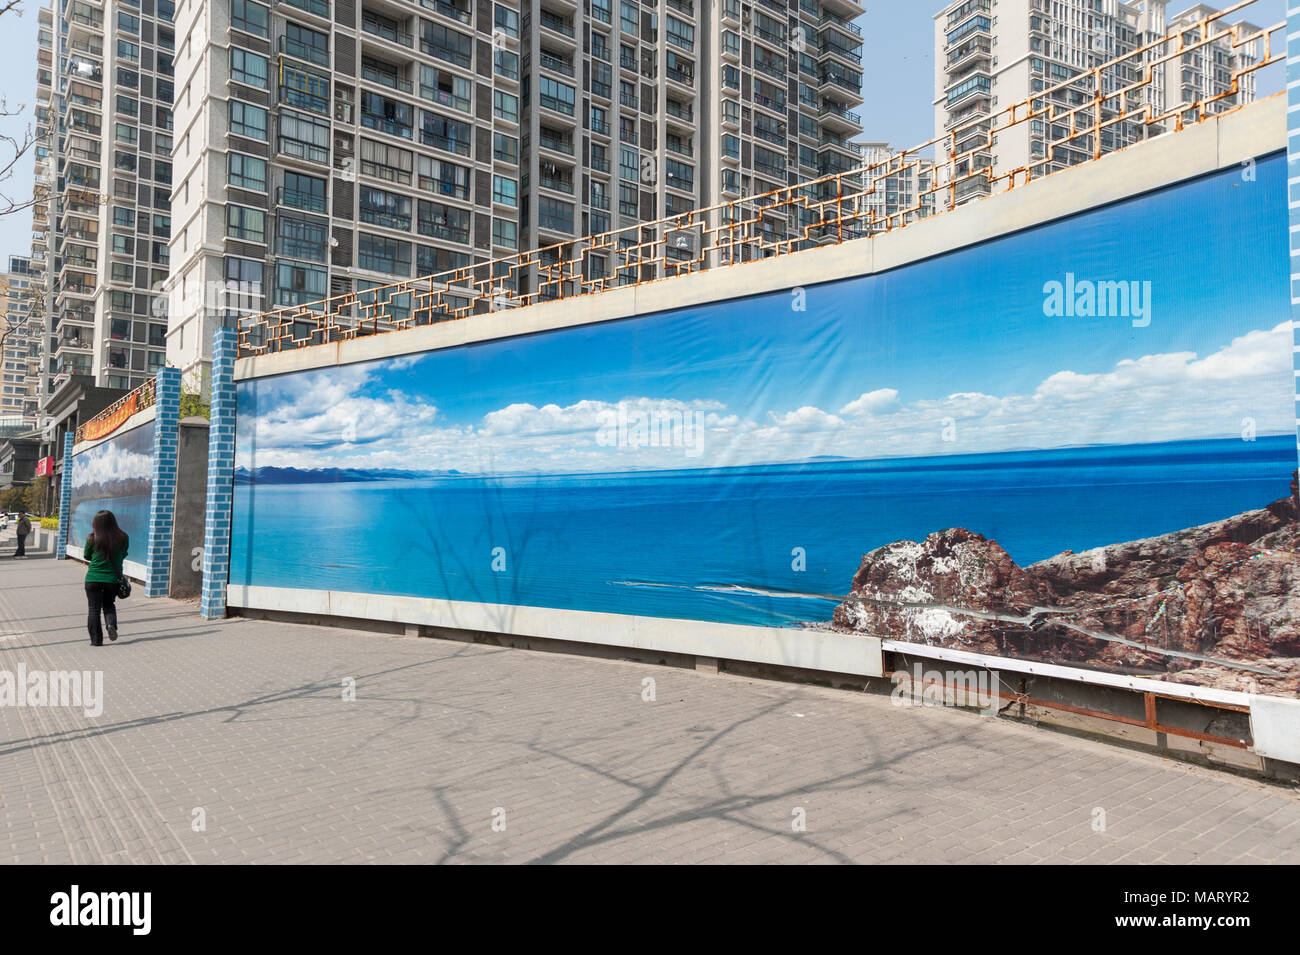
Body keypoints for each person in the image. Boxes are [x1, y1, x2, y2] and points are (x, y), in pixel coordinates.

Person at [84, 509, 128, 647]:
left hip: (93, 579)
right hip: (112, 579)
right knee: (109, 604)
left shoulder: (92, 538)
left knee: (93, 609)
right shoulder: (123, 537)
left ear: (95, 523)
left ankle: (96, 641)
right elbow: (124, 554)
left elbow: (86, 555)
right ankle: (111, 625)